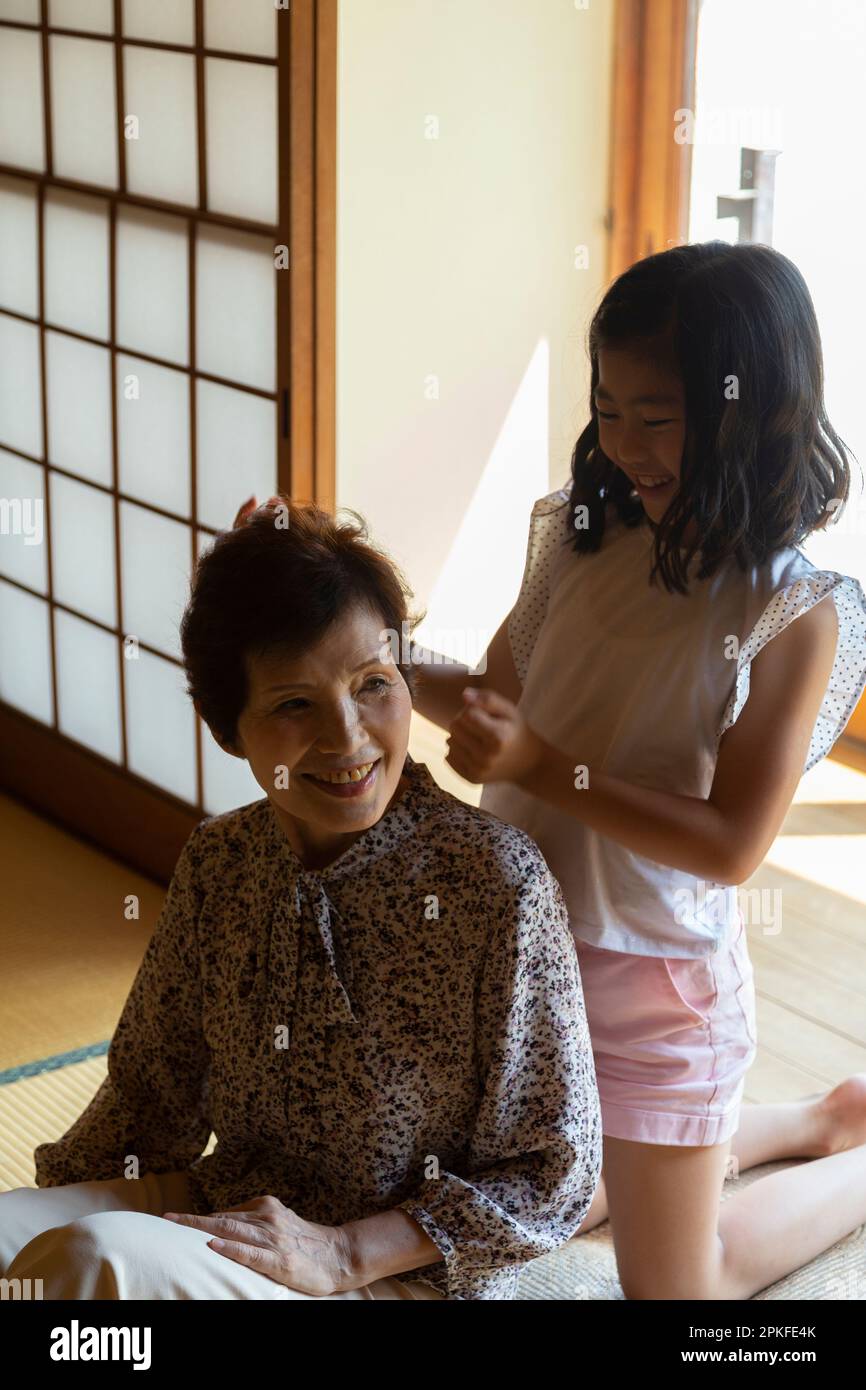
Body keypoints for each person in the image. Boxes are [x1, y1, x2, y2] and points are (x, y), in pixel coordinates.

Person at [410, 241, 866, 1299]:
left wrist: (547, 768)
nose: (620, 444)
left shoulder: (788, 613)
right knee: (527, 1191)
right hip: (519, 952)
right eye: (605, 407)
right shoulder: (581, 534)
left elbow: (728, 846)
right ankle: (809, 1117)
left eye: (653, 417)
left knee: (678, 1290)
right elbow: (489, 697)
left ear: (748, 414)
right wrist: (358, 641)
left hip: (655, 983)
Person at [0, 501, 602, 1301]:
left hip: (399, 1272)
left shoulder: (495, 882)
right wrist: (43, 1212)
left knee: (93, 1263)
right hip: (239, 1217)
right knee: (37, 1249)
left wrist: (345, 1253)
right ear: (228, 728)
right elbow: (149, 1098)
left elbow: (552, 1172)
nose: (348, 737)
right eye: (293, 705)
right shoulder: (221, 859)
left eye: (373, 685)